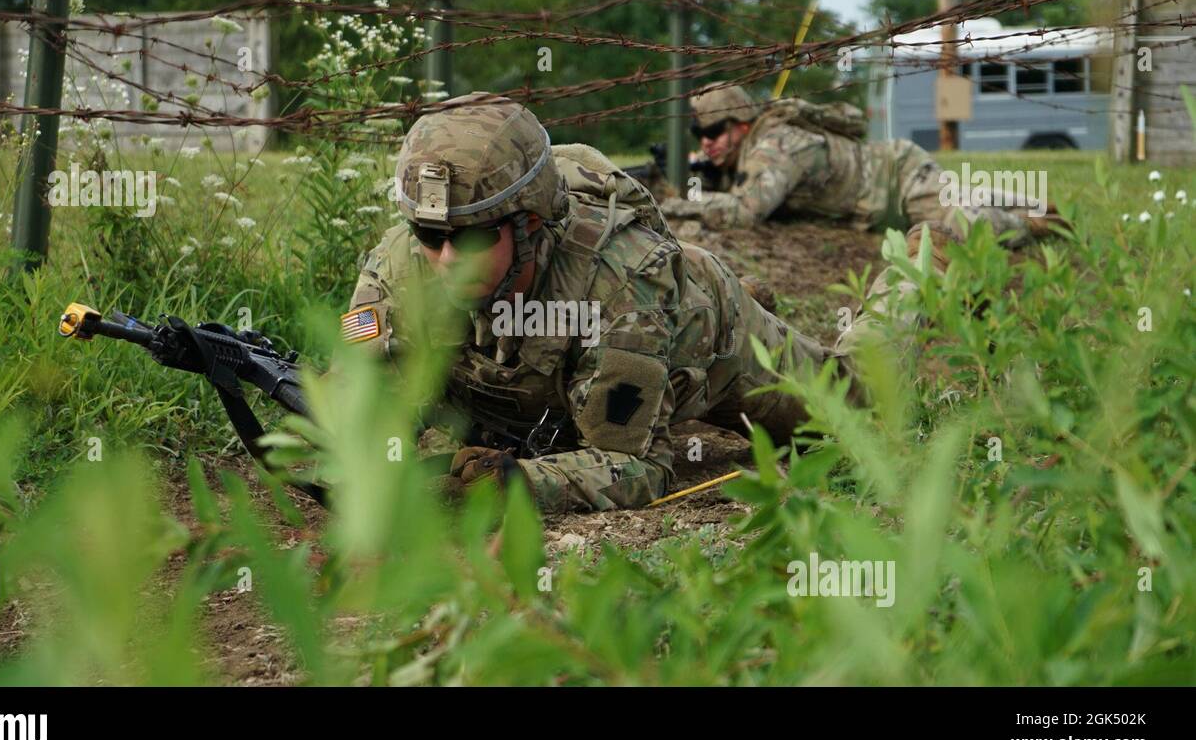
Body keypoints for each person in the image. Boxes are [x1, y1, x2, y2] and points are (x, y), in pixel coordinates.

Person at [342, 93, 857, 513]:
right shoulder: (397, 266)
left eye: (473, 237)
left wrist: (515, 484)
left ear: (530, 224)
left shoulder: (619, 283)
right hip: (569, 381)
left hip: (708, 339)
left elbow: (635, 466)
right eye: (430, 235)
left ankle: (904, 290)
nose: (447, 258)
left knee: (851, 405)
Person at [657, 84, 1068, 244]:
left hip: (895, 181)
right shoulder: (750, 149)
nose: (706, 143)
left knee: (962, 226)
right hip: (884, 190)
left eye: (713, 132)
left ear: (742, 125)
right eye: (700, 136)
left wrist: (671, 207)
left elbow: (746, 211)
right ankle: (1026, 202)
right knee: (959, 195)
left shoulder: (777, 145)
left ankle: (1035, 225)